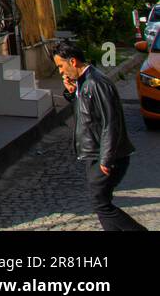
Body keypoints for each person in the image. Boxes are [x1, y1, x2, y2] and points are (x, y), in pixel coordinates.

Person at [52, 39, 145, 230]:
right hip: (94, 153)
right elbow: (88, 113)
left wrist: (106, 159)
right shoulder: (84, 82)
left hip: (107, 156)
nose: (60, 71)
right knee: (101, 201)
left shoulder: (96, 83)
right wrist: (72, 92)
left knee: (101, 203)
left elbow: (111, 123)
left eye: (60, 66)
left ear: (73, 62)